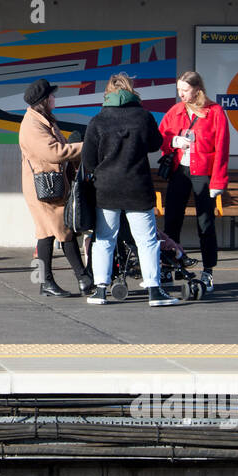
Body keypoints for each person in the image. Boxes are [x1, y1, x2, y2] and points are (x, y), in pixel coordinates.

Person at [81, 74, 181, 307]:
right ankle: (154, 291)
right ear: (130, 91)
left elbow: (88, 161)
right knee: (146, 241)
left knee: (104, 239)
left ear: (108, 93)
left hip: (106, 189)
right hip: (137, 187)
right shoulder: (143, 116)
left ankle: (100, 291)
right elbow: (156, 144)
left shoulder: (98, 120)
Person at [159, 70, 229, 291]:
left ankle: (208, 270)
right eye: (179, 90)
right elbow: (161, 136)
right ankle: (170, 266)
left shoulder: (215, 112)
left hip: (203, 172)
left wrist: (218, 181)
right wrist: (174, 142)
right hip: (180, 170)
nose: (181, 94)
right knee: (171, 221)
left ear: (198, 89)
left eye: (185, 90)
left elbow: (222, 149)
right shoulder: (176, 111)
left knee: (205, 223)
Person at [19, 77, 89, 297]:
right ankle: (83, 279)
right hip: (46, 187)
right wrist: (86, 147)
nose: (54, 98)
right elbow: (54, 152)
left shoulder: (42, 119)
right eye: (52, 96)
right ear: (44, 100)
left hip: (47, 185)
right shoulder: (33, 125)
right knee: (64, 231)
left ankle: (45, 282)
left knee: (46, 233)